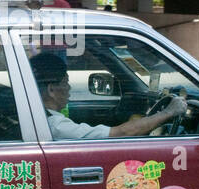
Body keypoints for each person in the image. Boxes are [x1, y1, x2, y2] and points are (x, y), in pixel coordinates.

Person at [28, 53, 186, 140]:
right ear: (51, 90)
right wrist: (168, 112)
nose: (69, 87)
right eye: (65, 82)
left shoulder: (39, 117)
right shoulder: (55, 125)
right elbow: (121, 133)